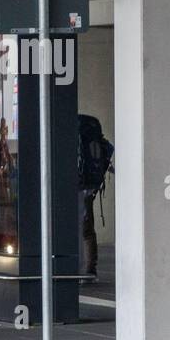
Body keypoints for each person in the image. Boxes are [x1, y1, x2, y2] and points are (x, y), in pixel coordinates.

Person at [77, 113, 114, 280]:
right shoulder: (92, 133)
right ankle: (91, 269)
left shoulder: (67, 131)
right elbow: (109, 150)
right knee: (87, 230)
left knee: (71, 229)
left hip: (73, 185)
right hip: (90, 185)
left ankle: (74, 269)